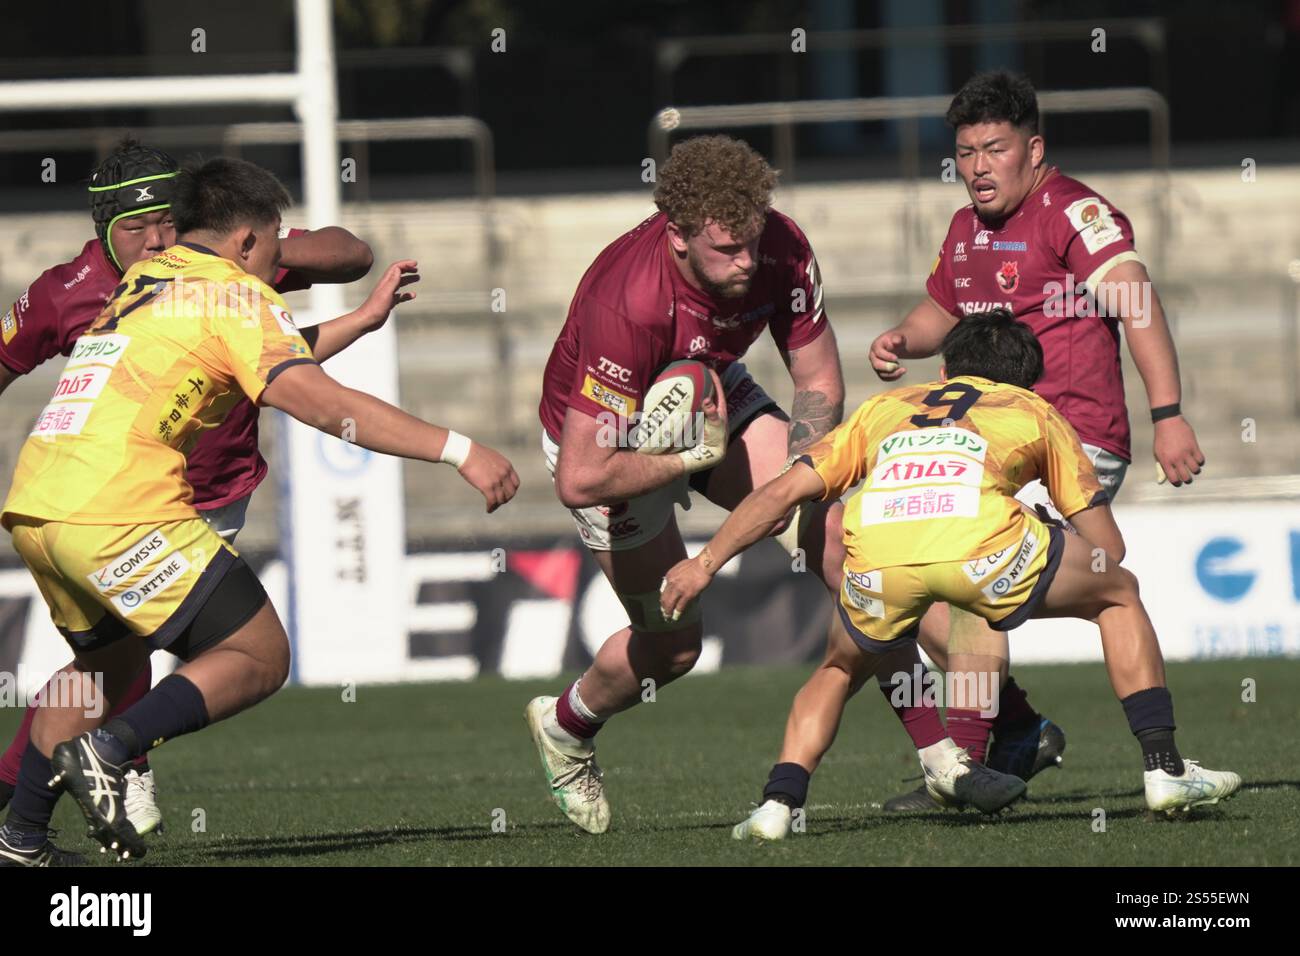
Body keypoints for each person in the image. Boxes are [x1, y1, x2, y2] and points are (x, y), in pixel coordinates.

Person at [0, 156, 519, 865]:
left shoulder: (148, 281)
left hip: (40, 500)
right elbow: (320, 404)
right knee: (258, 653)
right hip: (119, 507)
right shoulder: (233, 296)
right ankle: (111, 750)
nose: (280, 261)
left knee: (106, 668)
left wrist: (360, 322)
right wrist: (460, 450)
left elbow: (251, 357)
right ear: (246, 242)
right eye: (275, 244)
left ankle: (20, 838)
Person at [774, 70, 1208, 816]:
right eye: (965, 151)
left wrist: (1168, 412)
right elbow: (941, 310)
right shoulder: (964, 230)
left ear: (1033, 149)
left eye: (994, 148)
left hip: (1063, 440)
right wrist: (902, 339)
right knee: (917, 568)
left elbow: (1137, 303)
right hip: (979, 447)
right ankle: (1006, 739)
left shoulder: (1074, 213)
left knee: (961, 572)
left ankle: (986, 757)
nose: (977, 166)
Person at [660, 310, 1240, 840]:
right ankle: (1165, 769)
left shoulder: (884, 409)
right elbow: (1107, 549)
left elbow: (782, 493)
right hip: (983, 550)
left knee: (838, 667)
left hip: (879, 555)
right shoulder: (1035, 409)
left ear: (942, 369)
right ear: (1026, 382)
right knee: (1119, 594)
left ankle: (778, 805)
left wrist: (702, 563)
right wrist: (1045, 524)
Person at [0, 139, 375, 838]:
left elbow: (351, 255)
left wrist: (262, 234)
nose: (154, 239)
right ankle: (99, 767)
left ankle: (68, 792)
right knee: (127, 665)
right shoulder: (63, 291)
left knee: (117, 665)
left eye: (165, 222)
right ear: (101, 230)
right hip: (117, 502)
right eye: (133, 229)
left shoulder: (213, 263)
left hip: (210, 494)